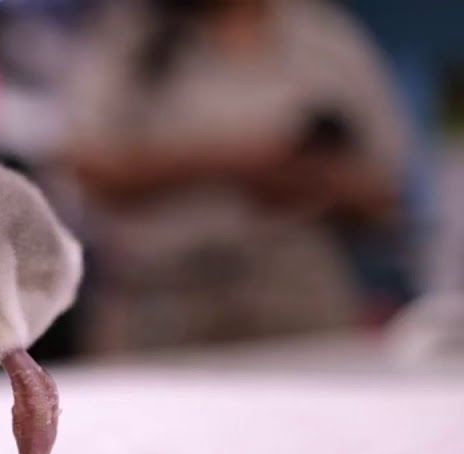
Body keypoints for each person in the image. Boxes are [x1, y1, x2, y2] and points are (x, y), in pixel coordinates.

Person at [62, 0, 411, 352]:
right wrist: (231, 163)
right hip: (161, 300)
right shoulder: (129, 35)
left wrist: (313, 181)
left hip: (295, 293)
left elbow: (386, 191)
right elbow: (88, 167)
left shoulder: (324, 35)